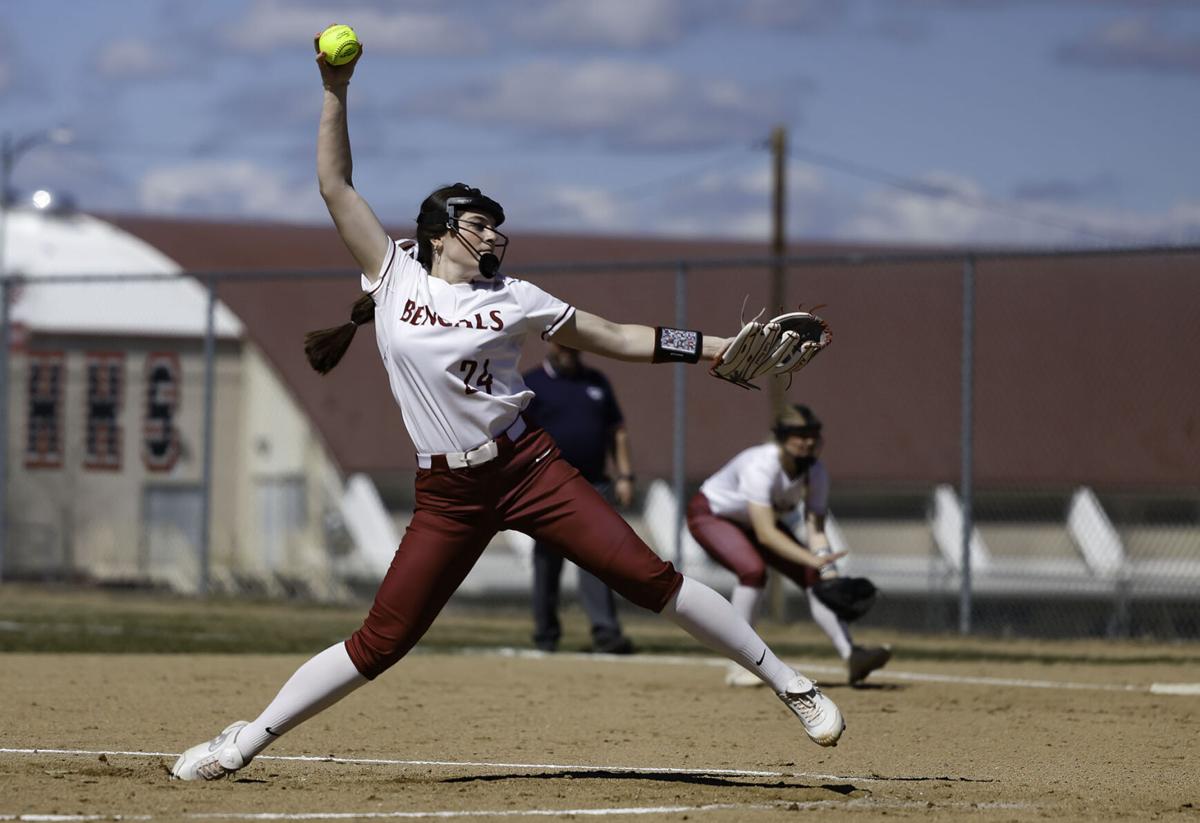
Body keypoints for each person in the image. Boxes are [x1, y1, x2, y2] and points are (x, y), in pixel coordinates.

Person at [170, 37, 844, 782]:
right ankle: (241, 743)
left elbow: (617, 335)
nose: (494, 233)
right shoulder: (392, 274)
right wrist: (336, 87)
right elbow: (333, 183)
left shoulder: (515, 296)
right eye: (480, 222)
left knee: (651, 578)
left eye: (497, 225)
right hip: (449, 494)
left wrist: (716, 346)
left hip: (529, 468)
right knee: (381, 642)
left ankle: (794, 684)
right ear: (440, 231)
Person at [687, 403, 892, 688]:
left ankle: (852, 655)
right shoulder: (761, 465)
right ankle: (738, 665)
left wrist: (827, 570)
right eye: (799, 434)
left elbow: (815, 528)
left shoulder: (816, 472)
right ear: (782, 438)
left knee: (815, 579)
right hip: (711, 515)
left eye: (813, 434)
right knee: (753, 570)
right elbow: (766, 534)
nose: (808, 441)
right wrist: (812, 560)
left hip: (753, 522)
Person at [523, 343, 636, 655]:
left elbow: (618, 430)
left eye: (575, 346)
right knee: (547, 562)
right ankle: (545, 634)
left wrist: (625, 476)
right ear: (551, 345)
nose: (569, 352)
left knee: (598, 559)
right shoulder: (532, 383)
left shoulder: (596, 382)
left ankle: (606, 633)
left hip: (593, 484)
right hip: (546, 486)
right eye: (563, 346)